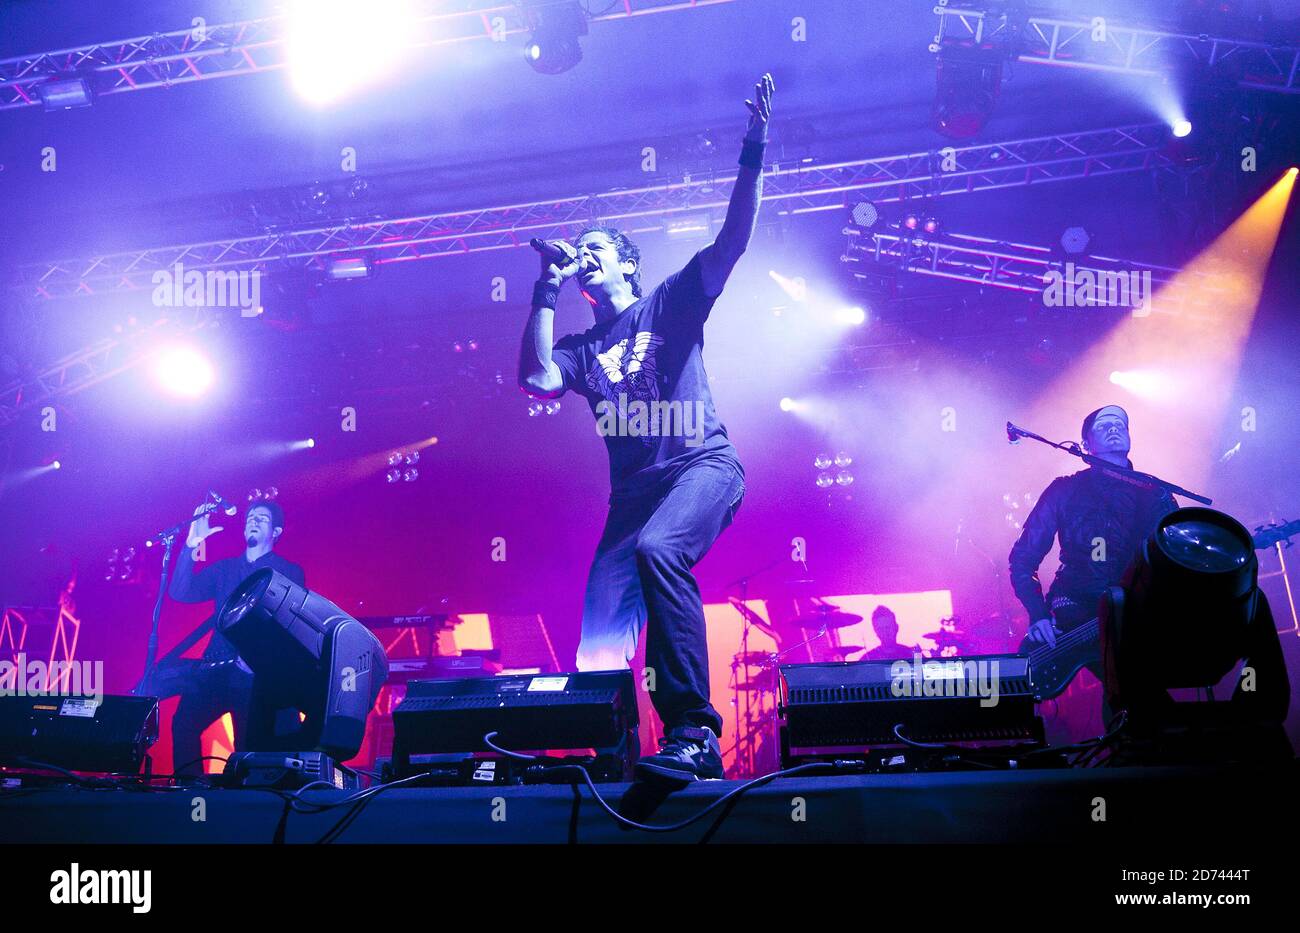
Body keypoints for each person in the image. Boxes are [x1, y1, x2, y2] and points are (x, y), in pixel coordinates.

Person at [518, 74, 775, 783]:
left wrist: (753, 147)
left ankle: (693, 730)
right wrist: (545, 285)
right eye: (579, 250)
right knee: (599, 637)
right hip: (631, 496)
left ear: (627, 263)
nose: (583, 253)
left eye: (594, 245)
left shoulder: (669, 302)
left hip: (702, 467)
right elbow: (535, 377)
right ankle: (614, 751)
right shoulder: (577, 348)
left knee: (662, 551)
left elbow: (733, 239)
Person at [1009, 406, 1178, 682]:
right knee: (1128, 683)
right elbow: (1023, 559)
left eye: (1120, 424)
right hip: (1073, 609)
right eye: (1103, 425)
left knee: (1133, 684)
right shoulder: (1064, 490)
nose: (1114, 428)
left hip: (1131, 607)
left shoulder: (1155, 493)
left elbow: (1172, 553)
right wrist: (1038, 614)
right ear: (1086, 445)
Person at [168, 497, 305, 774]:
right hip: (214, 671)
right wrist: (191, 546)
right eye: (250, 518)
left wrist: (258, 658)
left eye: (262, 518)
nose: (253, 521)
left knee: (246, 746)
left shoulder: (289, 571)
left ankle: (241, 802)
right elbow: (180, 592)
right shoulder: (224, 569)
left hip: (254, 677)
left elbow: (290, 626)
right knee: (182, 723)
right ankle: (190, 791)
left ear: (276, 532)